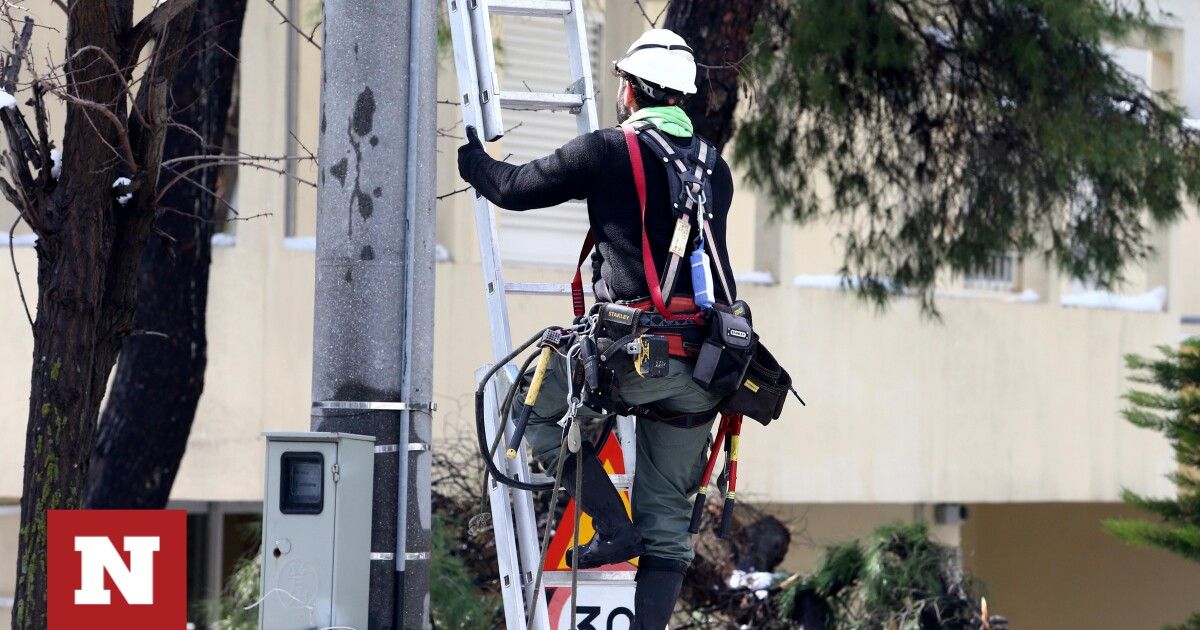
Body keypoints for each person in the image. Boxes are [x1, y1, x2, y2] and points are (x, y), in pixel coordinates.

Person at [457, 29, 736, 629]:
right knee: (668, 530)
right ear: (681, 100)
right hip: (706, 366)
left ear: (632, 92)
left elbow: (511, 188)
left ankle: (610, 526)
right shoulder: (716, 169)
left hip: (632, 354)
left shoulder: (606, 151)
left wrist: (472, 159)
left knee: (532, 408)